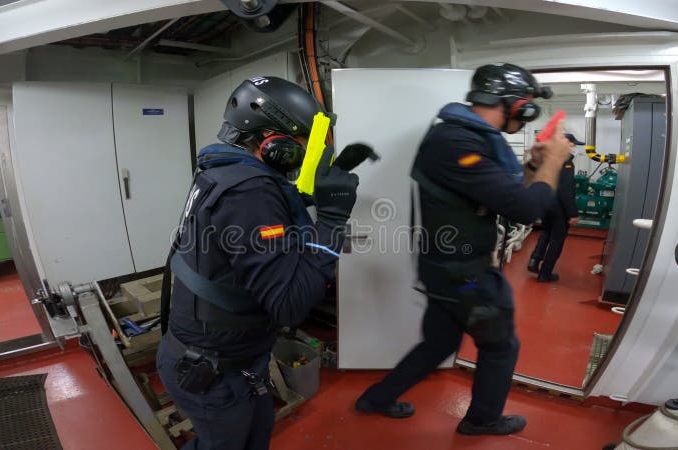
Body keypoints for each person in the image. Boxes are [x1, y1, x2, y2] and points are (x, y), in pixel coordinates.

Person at [354, 63, 573, 436]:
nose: (528, 114)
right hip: (464, 276)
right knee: (501, 346)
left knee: (440, 342)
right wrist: (553, 162)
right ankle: (481, 420)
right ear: (514, 104)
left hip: (446, 269)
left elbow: (502, 192)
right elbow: (527, 209)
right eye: (528, 106)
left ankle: (375, 399)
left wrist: (534, 166)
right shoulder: (456, 142)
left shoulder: (467, 138)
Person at [157, 76, 361, 450]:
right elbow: (290, 305)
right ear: (274, 144)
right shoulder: (250, 191)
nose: (306, 156)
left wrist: (316, 194)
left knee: (255, 437)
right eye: (304, 146)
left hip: (228, 358)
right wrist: (332, 220)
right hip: (214, 370)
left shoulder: (225, 169)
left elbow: (268, 223)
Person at [528, 133, 581, 282]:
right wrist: (573, 213)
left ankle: (534, 260)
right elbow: (566, 190)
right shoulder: (566, 161)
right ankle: (545, 274)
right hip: (558, 207)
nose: (574, 148)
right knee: (557, 240)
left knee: (546, 232)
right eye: (572, 145)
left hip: (545, 203)